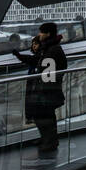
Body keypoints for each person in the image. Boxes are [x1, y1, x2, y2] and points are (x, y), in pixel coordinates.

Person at [13, 22, 67, 158]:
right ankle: (47, 140)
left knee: (43, 116)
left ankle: (49, 142)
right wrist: (20, 57)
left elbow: (47, 71)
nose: (39, 35)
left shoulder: (52, 50)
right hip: (49, 90)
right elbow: (37, 61)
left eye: (41, 32)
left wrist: (44, 88)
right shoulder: (50, 48)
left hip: (47, 91)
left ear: (48, 33)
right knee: (46, 116)